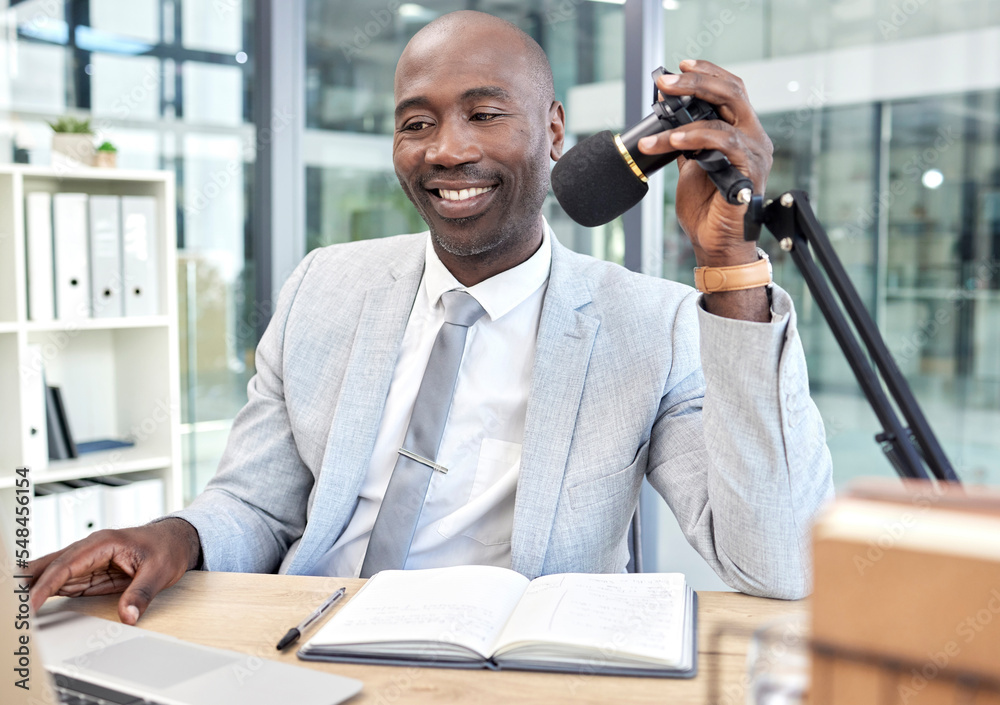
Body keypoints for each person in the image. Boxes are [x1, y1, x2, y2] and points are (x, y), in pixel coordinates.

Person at [30, 10, 834, 625]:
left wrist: (730, 270)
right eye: (417, 122)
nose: (446, 151)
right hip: (303, 643)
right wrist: (174, 535)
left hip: (514, 676)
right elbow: (258, 506)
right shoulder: (324, 286)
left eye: (485, 114)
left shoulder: (650, 326)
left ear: (553, 129)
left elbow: (776, 560)